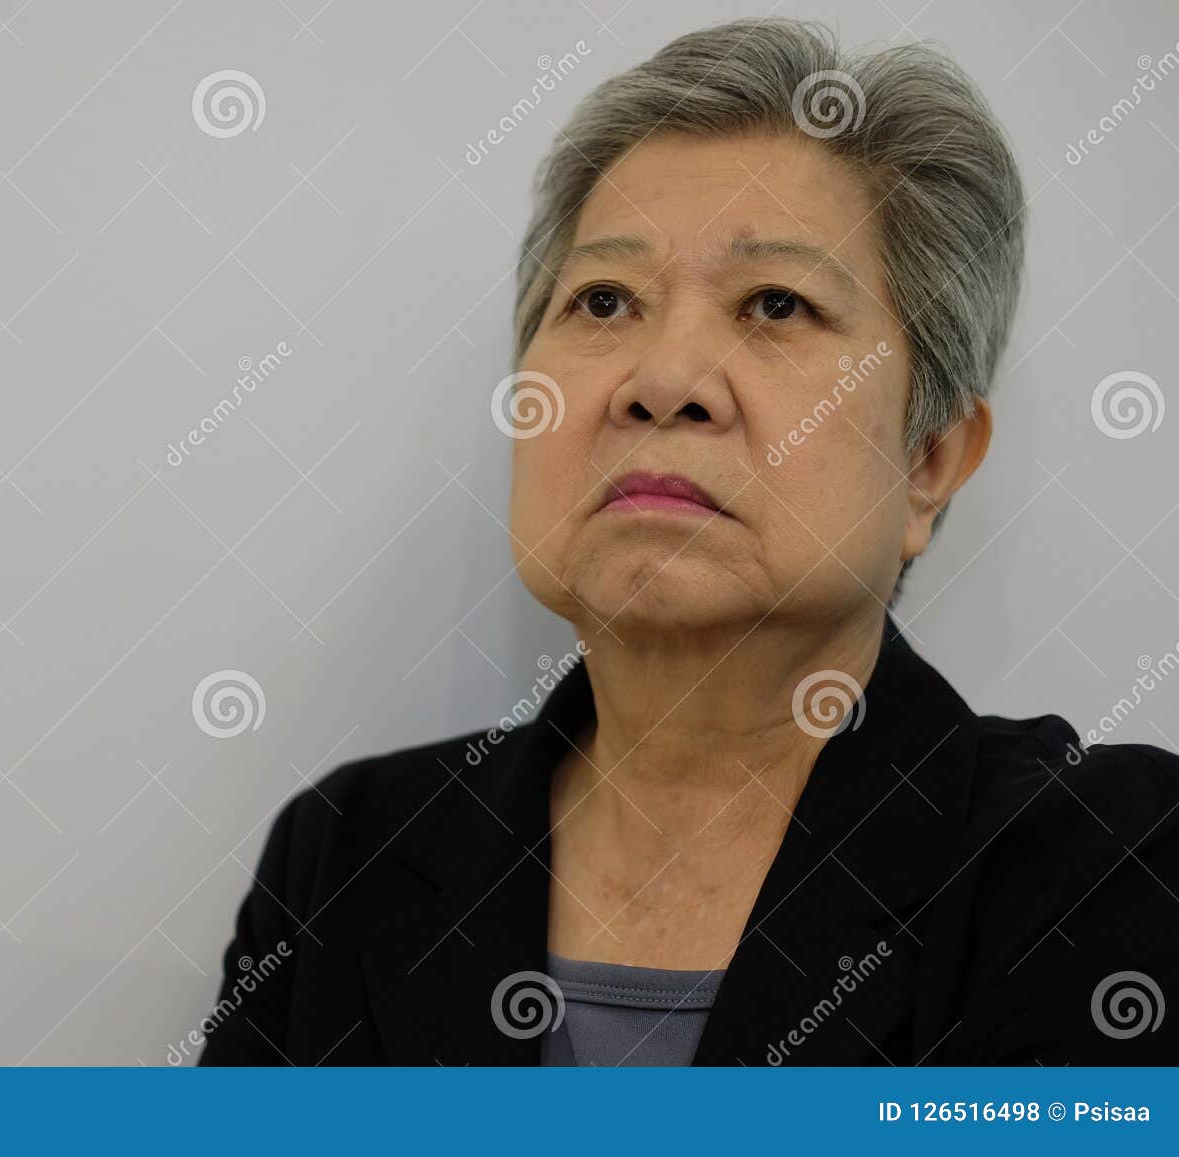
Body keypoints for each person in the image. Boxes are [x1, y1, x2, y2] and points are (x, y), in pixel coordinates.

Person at [197, 17, 1179, 1066]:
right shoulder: (351, 850)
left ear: (929, 459)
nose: (662, 381)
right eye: (604, 299)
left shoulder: (1103, 860)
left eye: (775, 303)